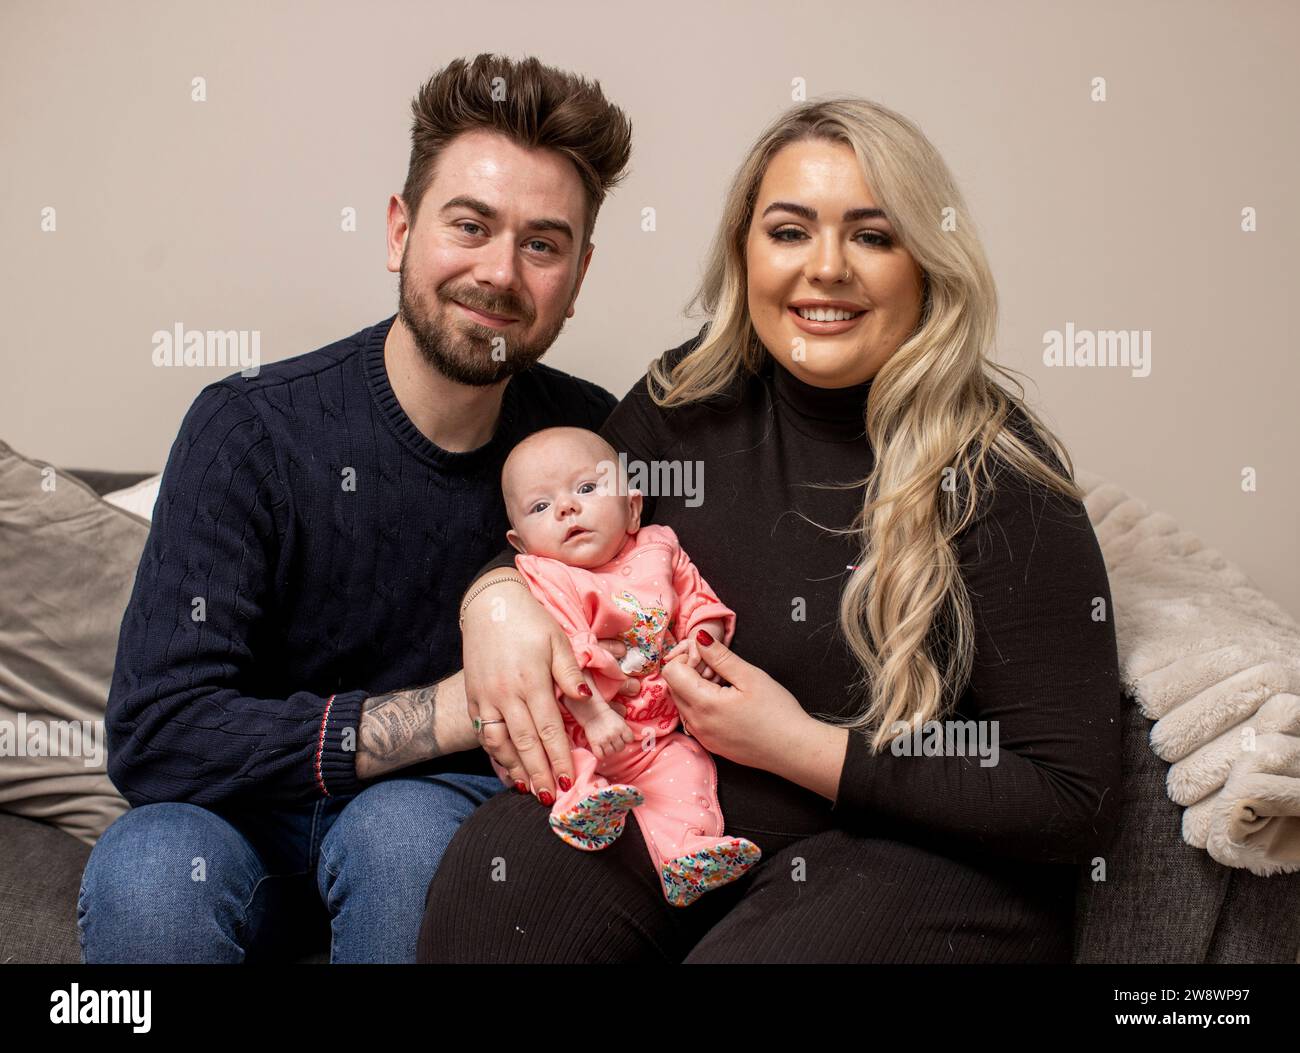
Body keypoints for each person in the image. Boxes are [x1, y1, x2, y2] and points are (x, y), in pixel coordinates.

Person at [418, 95, 1124, 964]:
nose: (825, 268)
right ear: (745, 253)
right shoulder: (687, 401)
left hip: (916, 855)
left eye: (872, 235)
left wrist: (800, 745)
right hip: (693, 809)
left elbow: (1070, 796)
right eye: (789, 232)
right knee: (496, 891)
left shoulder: (998, 471)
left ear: (928, 263)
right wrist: (490, 604)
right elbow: (558, 533)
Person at [78, 53, 638, 963]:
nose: (500, 272)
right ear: (399, 231)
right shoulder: (249, 429)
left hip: (433, 825)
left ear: (576, 277)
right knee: (144, 869)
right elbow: (156, 734)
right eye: (470, 225)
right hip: (229, 827)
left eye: (543, 244)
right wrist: (450, 710)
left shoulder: (588, 442)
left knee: (403, 830)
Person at [498, 426, 760, 906]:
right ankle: (582, 805)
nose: (565, 509)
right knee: (558, 760)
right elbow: (565, 649)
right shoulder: (546, 575)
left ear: (632, 507)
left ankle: (686, 855)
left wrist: (707, 641)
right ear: (520, 542)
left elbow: (696, 596)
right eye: (540, 507)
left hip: (654, 734)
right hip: (579, 725)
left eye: (586, 488)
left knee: (686, 767)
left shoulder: (659, 547)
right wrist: (595, 715)